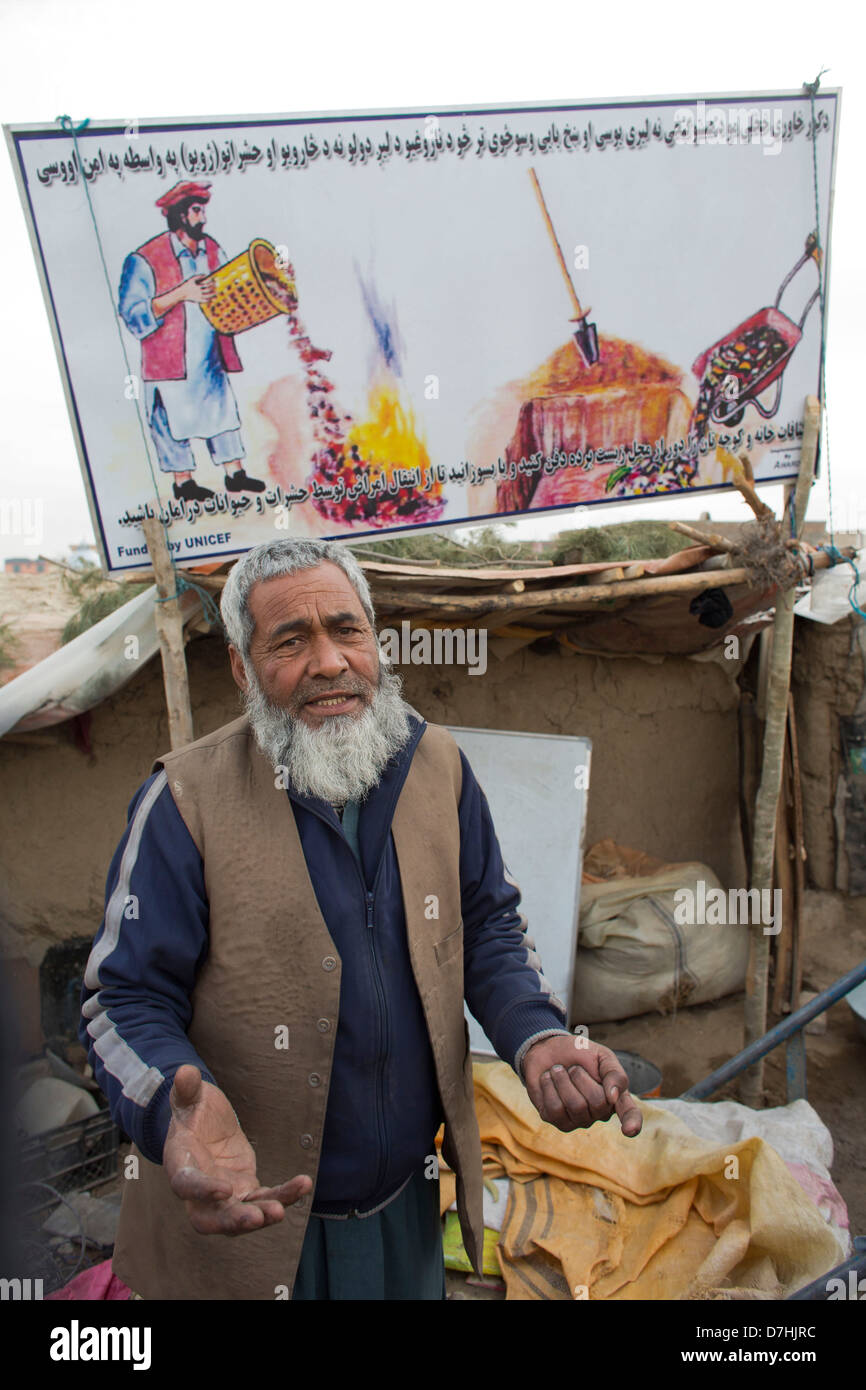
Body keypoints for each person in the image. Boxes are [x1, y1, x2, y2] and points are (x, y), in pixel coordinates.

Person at [79, 537, 642, 1301]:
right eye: (290, 641)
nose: (330, 663)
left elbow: (486, 926)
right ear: (243, 670)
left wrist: (536, 1034)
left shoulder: (437, 766)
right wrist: (170, 1116)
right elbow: (123, 999)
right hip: (251, 1231)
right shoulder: (184, 803)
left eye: (347, 630)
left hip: (403, 1210)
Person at [117, 180, 266, 503]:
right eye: (197, 211)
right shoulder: (144, 258)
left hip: (210, 355)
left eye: (203, 210)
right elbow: (132, 313)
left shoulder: (212, 249)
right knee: (169, 421)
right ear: (180, 215)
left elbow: (234, 285)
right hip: (170, 360)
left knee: (222, 412)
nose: (203, 218)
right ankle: (183, 482)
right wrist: (180, 293)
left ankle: (235, 473)